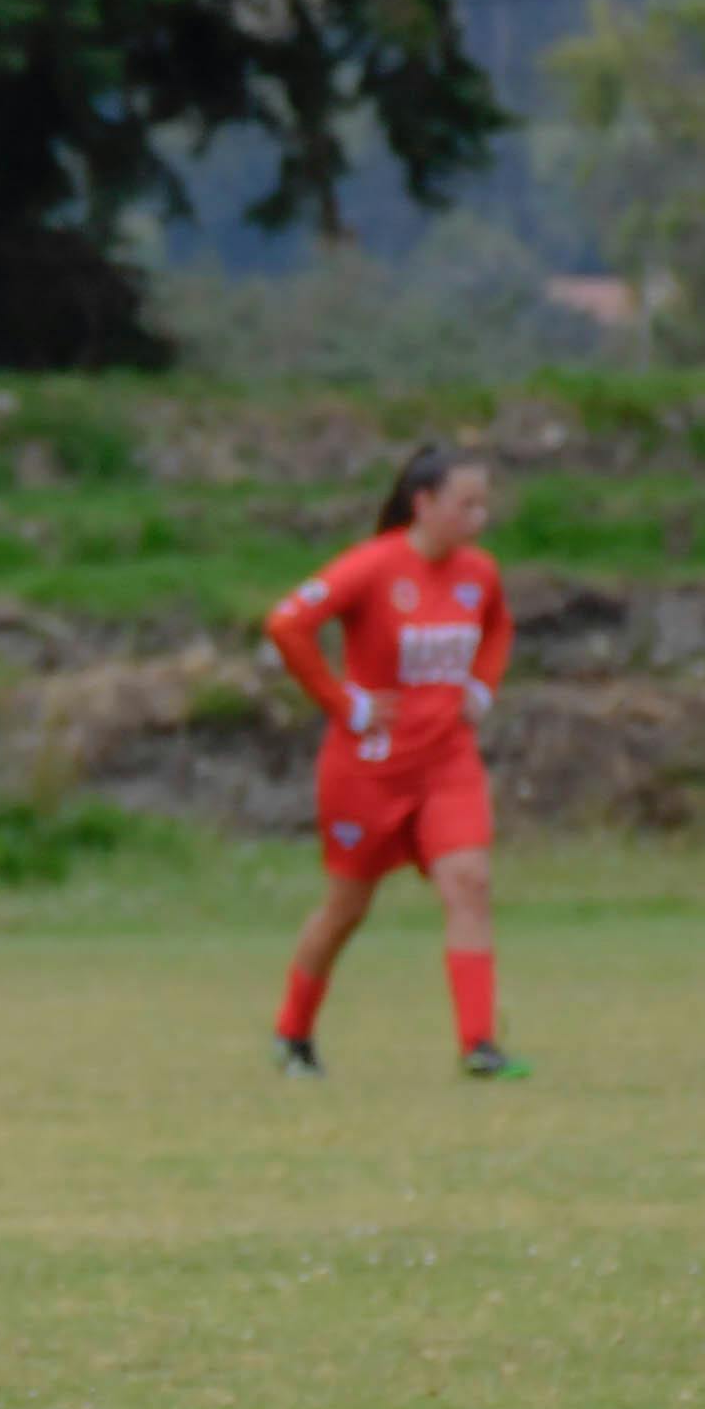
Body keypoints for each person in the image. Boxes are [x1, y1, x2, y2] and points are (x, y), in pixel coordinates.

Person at [264, 447, 525, 1078]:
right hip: (370, 770)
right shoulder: (374, 567)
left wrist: (481, 689)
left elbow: (497, 630)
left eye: (483, 504)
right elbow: (288, 624)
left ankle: (478, 1046)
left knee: (469, 883)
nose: (478, 516)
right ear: (425, 504)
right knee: (347, 907)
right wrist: (342, 702)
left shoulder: (479, 573)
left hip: (447, 762)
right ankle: (293, 1032)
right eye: (466, 504)